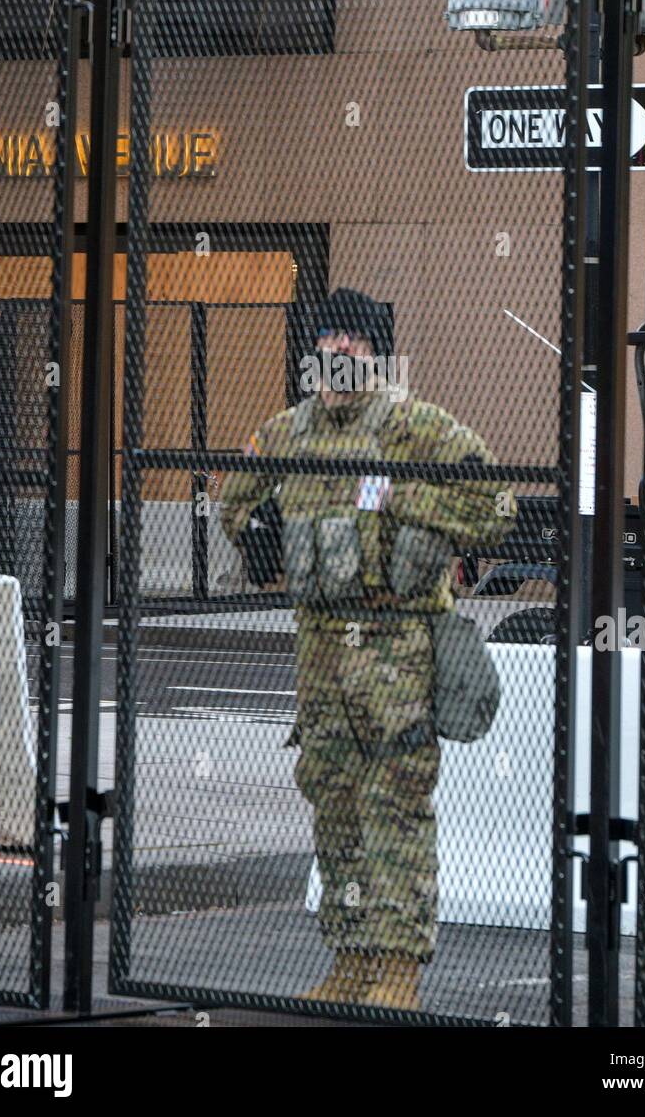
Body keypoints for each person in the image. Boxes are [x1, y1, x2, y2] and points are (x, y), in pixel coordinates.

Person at [219, 288, 516, 1010]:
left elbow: (499, 507)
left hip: (397, 653)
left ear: (376, 352)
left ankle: (398, 969)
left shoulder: (420, 429)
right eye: (329, 337)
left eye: (354, 339)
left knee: (396, 806)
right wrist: (258, 538)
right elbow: (232, 503)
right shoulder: (287, 433)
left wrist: (412, 504)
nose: (339, 350)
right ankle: (350, 958)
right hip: (320, 652)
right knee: (334, 803)